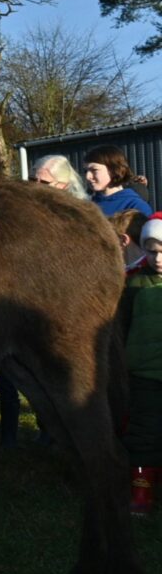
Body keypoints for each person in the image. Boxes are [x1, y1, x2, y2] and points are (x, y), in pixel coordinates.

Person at [120, 212, 162, 513]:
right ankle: (142, 490)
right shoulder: (131, 282)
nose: (157, 257)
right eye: (151, 249)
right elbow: (119, 325)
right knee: (144, 430)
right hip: (144, 372)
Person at [85, 145, 151, 216]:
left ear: (114, 170)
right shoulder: (86, 207)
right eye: (86, 171)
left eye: (94, 170)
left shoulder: (135, 206)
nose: (88, 176)